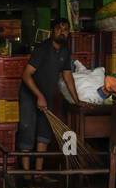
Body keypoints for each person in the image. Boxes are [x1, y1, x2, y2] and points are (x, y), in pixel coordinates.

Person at [17, 18, 80, 165]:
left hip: (47, 95)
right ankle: (25, 175)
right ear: (52, 31)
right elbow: (26, 75)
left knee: (44, 133)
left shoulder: (65, 51)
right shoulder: (42, 49)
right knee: (27, 130)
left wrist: (77, 101)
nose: (62, 32)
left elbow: (67, 76)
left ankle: (39, 174)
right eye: (59, 28)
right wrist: (39, 96)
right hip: (29, 95)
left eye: (65, 29)